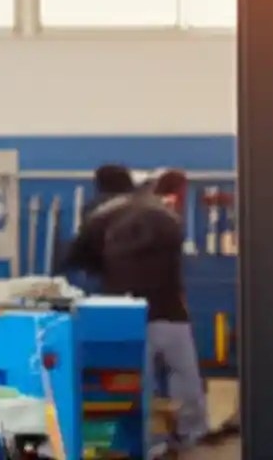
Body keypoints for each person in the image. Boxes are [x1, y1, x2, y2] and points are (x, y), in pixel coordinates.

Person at [62, 168, 210, 451]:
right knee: (185, 375)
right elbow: (175, 259)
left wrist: (101, 269)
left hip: (125, 311)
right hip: (169, 309)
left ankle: (147, 441)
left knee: (136, 382)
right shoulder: (164, 215)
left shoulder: (99, 218)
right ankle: (191, 435)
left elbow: (74, 258)